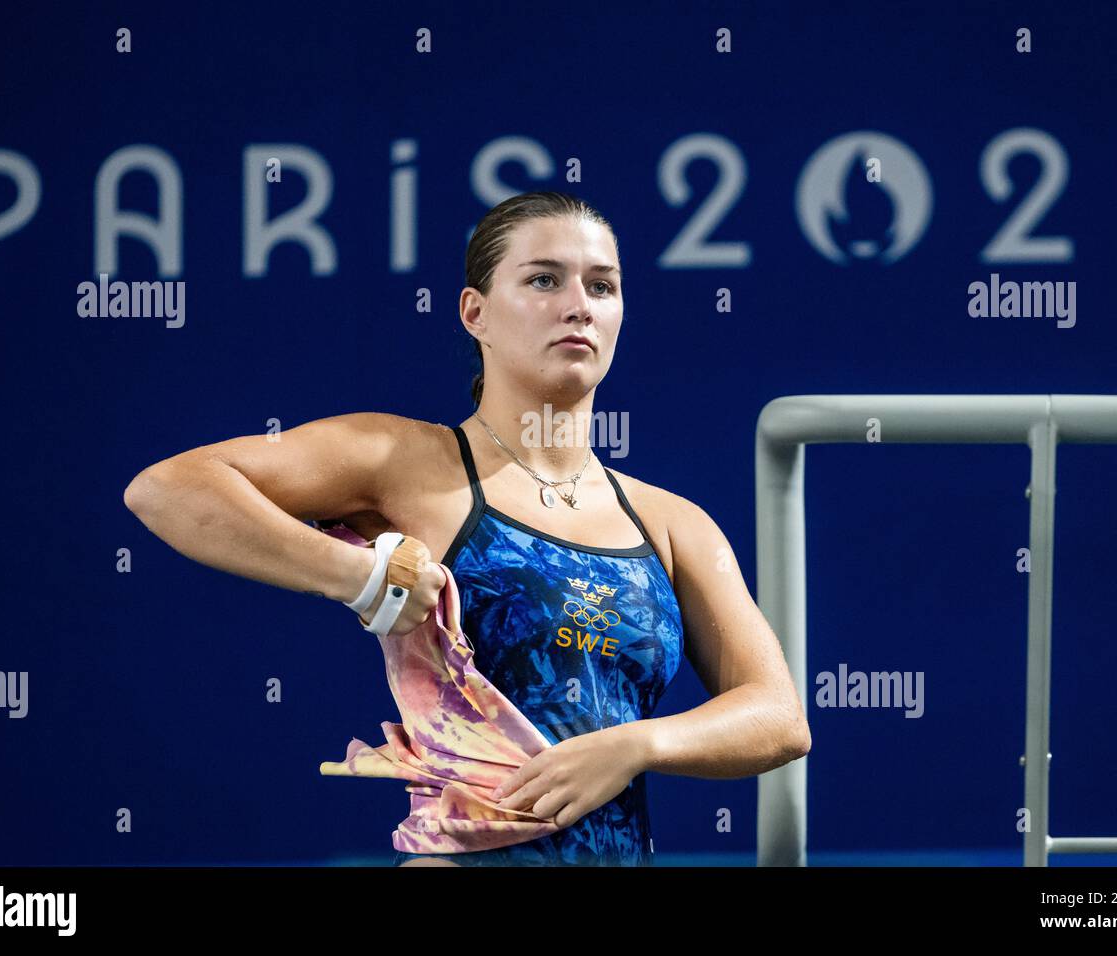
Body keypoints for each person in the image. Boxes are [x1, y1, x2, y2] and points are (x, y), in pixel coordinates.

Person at [123, 190, 811, 867]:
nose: (578, 305)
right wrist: (356, 576)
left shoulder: (671, 522)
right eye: (544, 279)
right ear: (474, 313)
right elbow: (169, 490)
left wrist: (635, 745)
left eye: (602, 286)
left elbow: (778, 717)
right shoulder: (404, 461)